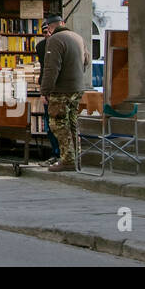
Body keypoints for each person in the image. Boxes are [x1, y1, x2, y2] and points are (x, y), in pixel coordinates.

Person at [39, 14, 89, 172]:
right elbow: (86, 60)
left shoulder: (55, 40)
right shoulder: (78, 37)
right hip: (77, 87)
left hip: (62, 89)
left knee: (58, 123)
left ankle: (67, 159)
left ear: (50, 27)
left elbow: (51, 69)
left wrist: (45, 91)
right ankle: (76, 159)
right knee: (73, 122)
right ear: (62, 23)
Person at [35, 25, 61, 165]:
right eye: (45, 32)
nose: (47, 34)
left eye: (50, 31)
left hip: (61, 89)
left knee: (60, 123)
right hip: (48, 89)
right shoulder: (41, 47)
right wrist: (44, 91)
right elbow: (45, 70)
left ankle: (62, 154)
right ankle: (55, 152)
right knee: (50, 123)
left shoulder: (61, 43)